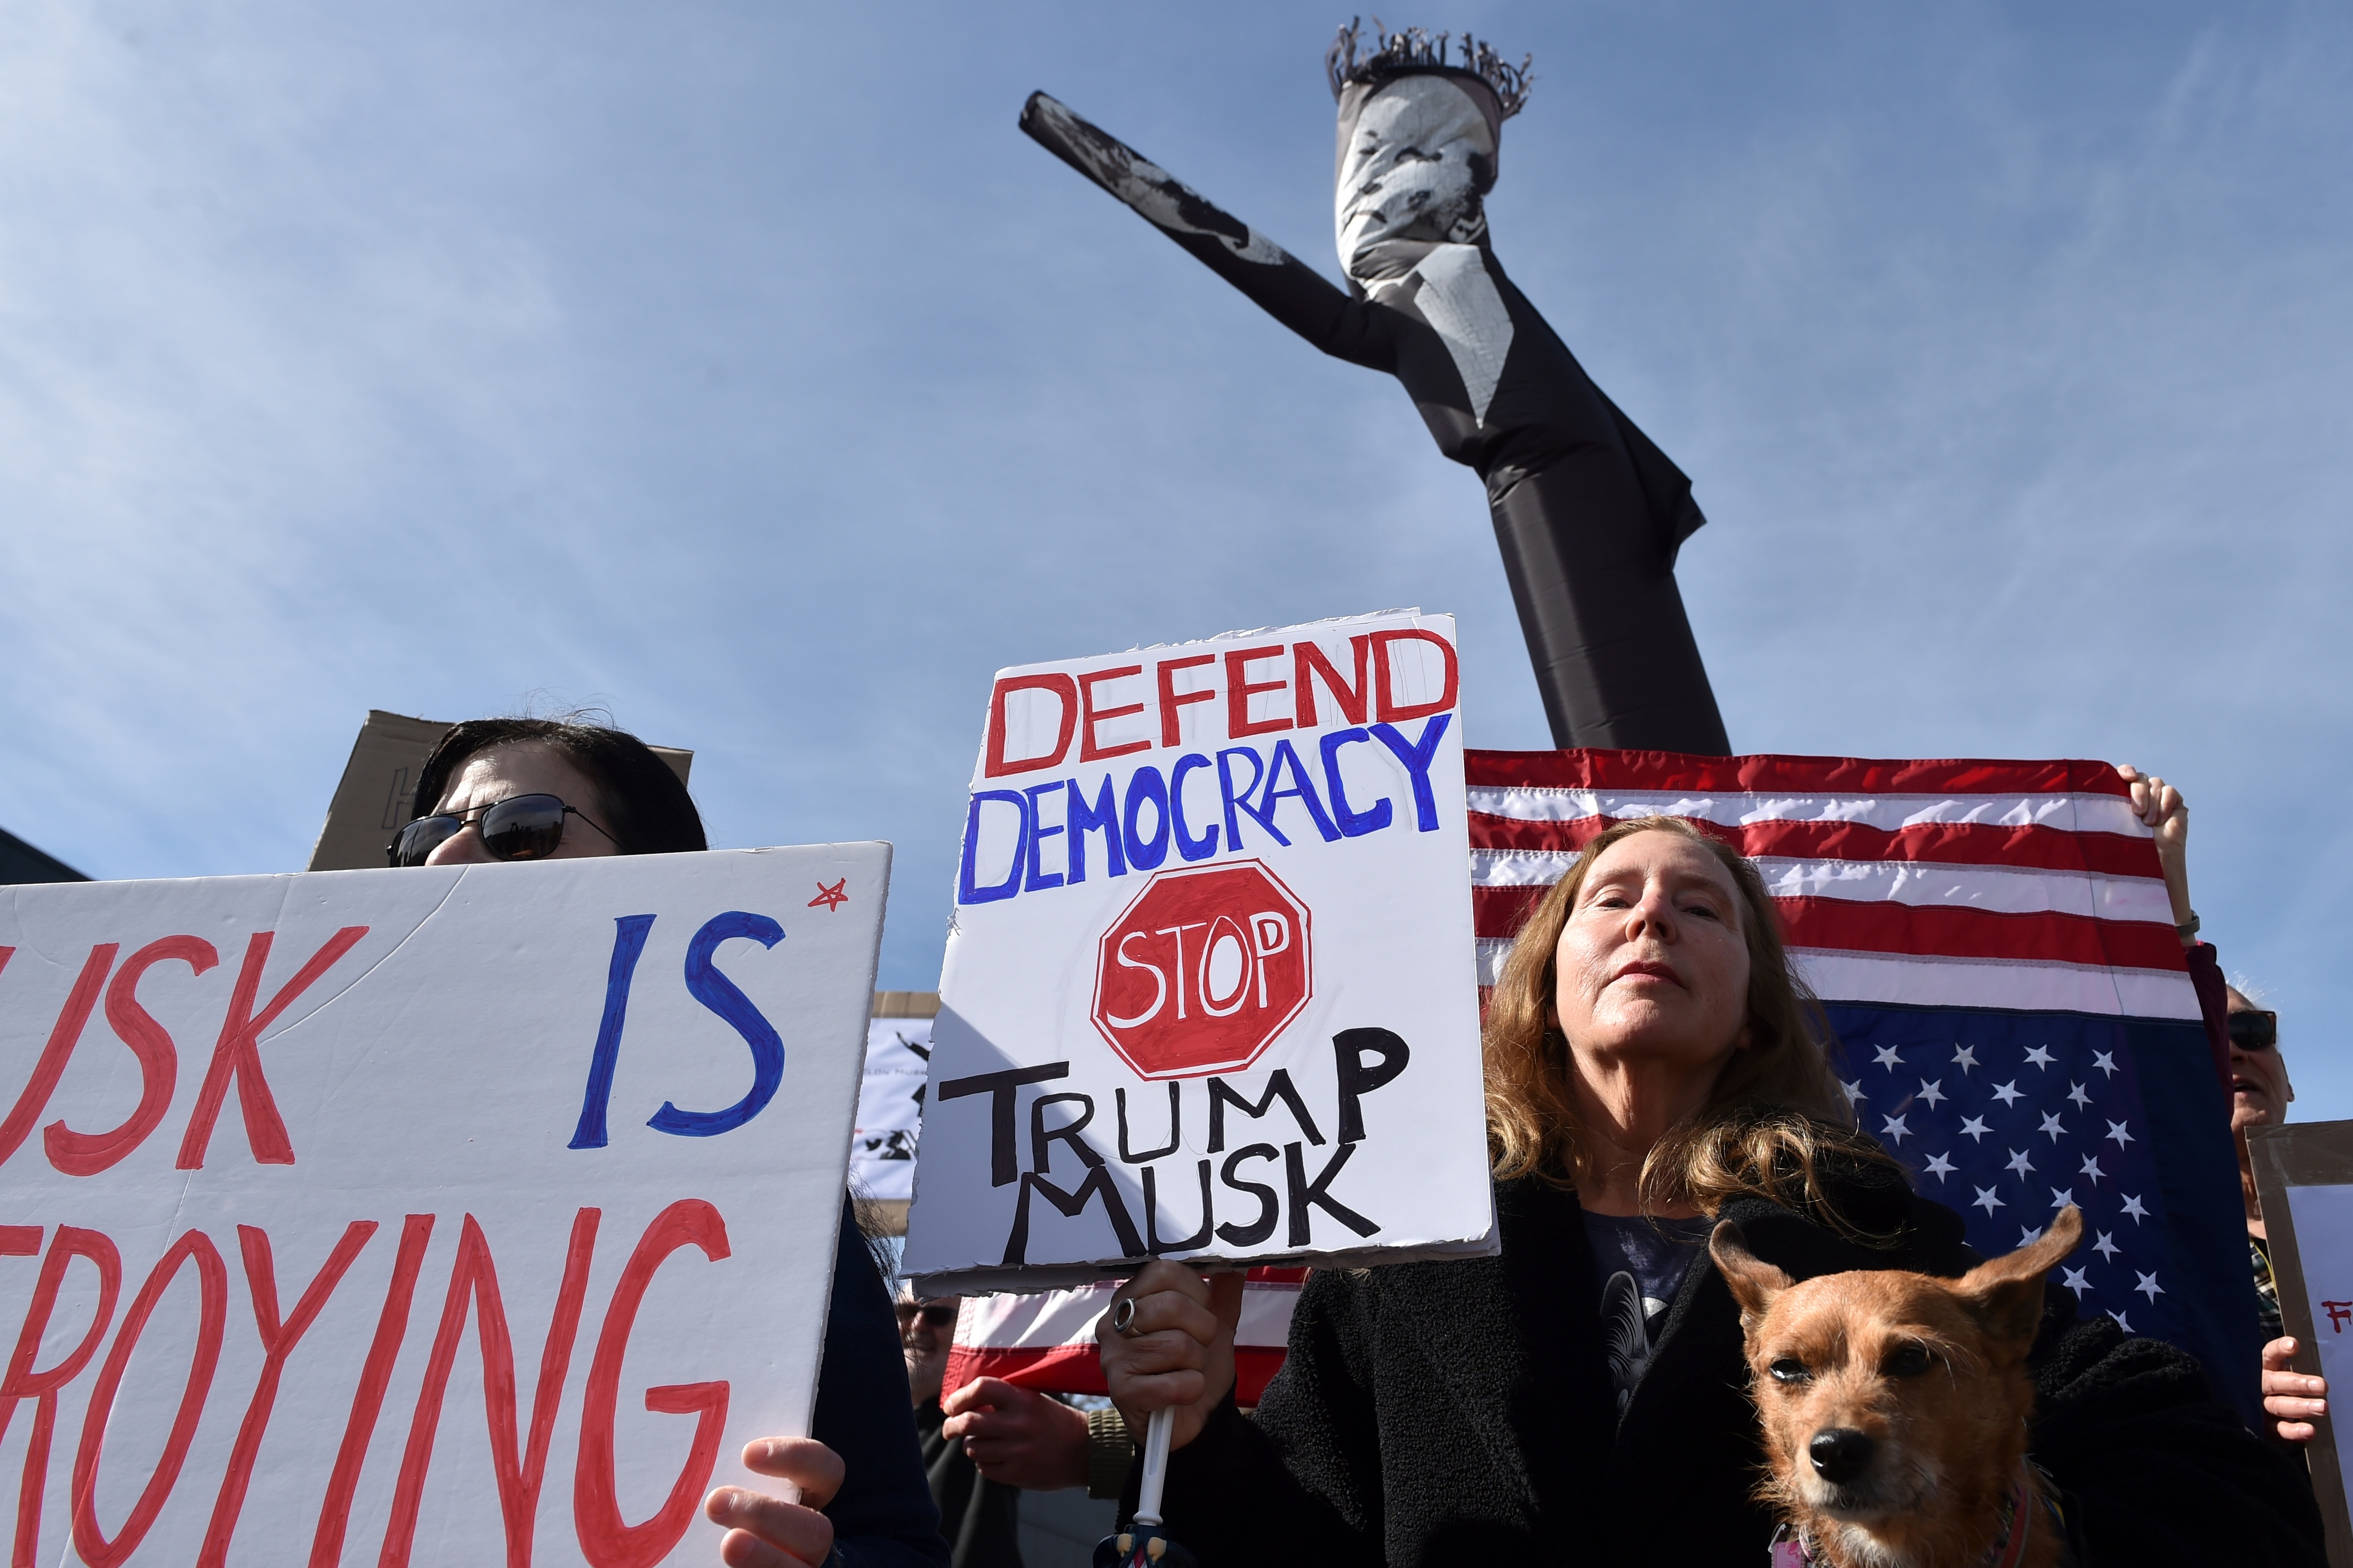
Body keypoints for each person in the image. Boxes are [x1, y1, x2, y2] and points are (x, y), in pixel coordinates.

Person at [1097, 815, 2324, 1564]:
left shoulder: (1877, 1237)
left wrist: (1997, 1530)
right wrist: (1198, 1441)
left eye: (1699, 908)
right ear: (1539, 980)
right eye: (1610, 900)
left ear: (1749, 1012)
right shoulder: (1396, 1258)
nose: (1650, 922)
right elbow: (1304, 1544)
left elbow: (2204, 1481)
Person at [1021, 24, 1728, 754]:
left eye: (1430, 154)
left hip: (1589, 466)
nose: (1386, 187)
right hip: (1548, 470)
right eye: (1384, 160)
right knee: (1636, 739)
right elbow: (1293, 289)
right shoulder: (1400, 302)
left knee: (1656, 744)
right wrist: (1104, 160)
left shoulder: (1452, 274)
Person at [391, 716, 951, 1567]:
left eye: (518, 829)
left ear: (662, 883)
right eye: (425, 835)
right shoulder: (243, 1160)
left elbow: (900, 1544)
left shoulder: (764, 1195)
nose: (443, 861)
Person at [2116, 764, 2328, 1448]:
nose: (2235, 1052)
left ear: (2290, 1079)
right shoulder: (2161, 1244)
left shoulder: (2343, 1206)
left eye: (2254, 1033)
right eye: (2217, 1039)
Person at [900, 1290, 1025, 1567]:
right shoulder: (856, 1423)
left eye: (938, 1316)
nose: (918, 1324)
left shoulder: (990, 1408)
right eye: (906, 1313)